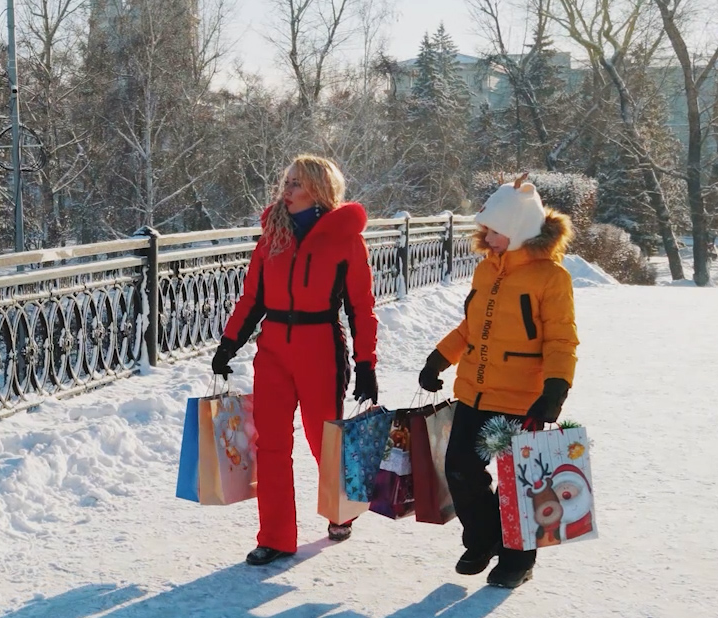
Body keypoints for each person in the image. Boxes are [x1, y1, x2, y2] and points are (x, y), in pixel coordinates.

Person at [210, 154, 379, 566]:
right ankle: (275, 536)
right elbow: (252, 298)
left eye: (296, 184)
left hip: (321, 346)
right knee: (270, 445)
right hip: (272, 350)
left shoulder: (345, 239)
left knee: (324, 440)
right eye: (286, 182)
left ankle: (342, 510)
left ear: (318, 190)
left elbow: (360, 306)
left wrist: (366, 363)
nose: (286, 191)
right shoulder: (271, 237)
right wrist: (228, 345)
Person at [418, 176, 578, 589]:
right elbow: (470, 328)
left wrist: (555, 390)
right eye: (485, 229)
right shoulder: (487, 271)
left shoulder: (551, 279)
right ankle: (484, 537)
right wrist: (439, 358)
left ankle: (518, 559)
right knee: (460, 470)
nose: (484, 237)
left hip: (520, 398)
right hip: (474, 391)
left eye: (493, 229)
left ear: (520, 230)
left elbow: (562, 338)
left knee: (518, 483)